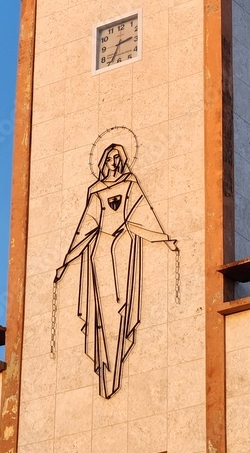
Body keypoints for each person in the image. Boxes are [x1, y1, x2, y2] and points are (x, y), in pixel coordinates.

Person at [54, 143, 177, 398]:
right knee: (102, 310)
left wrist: (164, 239)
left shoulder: (131, 185)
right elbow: (85, 229)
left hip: (123, 250)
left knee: (123, 308)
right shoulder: (95, 191)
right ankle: (105, 370)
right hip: (100, 252)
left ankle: (116, 366)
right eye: (109, 157)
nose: (114, 161)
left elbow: (144, 217)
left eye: (118, 157)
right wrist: (66, 262)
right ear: (102, 161)